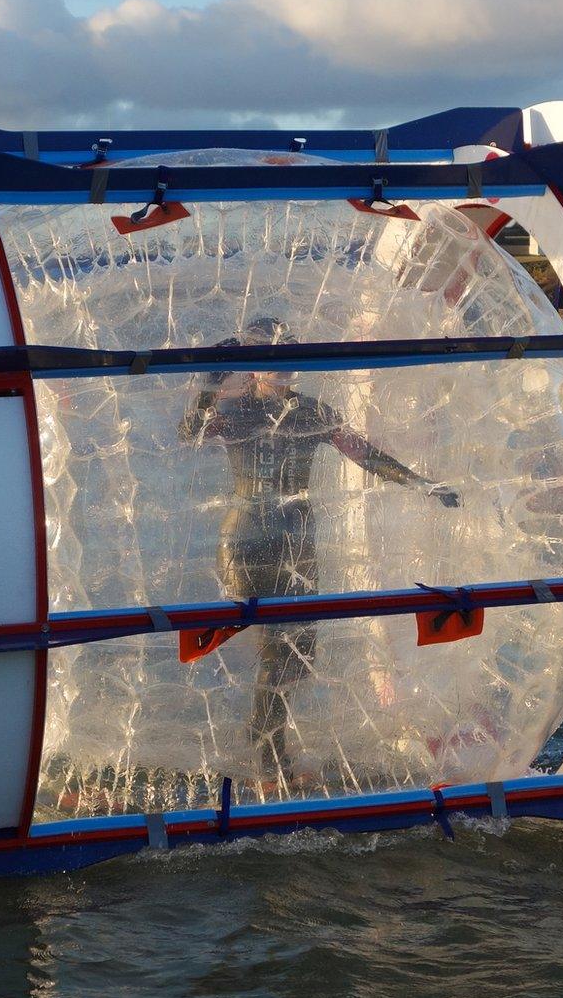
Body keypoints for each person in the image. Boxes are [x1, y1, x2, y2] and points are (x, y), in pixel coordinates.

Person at [179, 317, 459, 779]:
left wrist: (422, 484)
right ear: (252, 367)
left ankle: (264, 735)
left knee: (301, 647)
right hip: (247, 538)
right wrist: (209, 385)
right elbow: (190, 432)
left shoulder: (312, 411)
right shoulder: (235, 411)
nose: (284, 365)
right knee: (278, 644)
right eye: (271, 357)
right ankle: (271, 753)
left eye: (289, 354)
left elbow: (365, 454)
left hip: (296, 538)